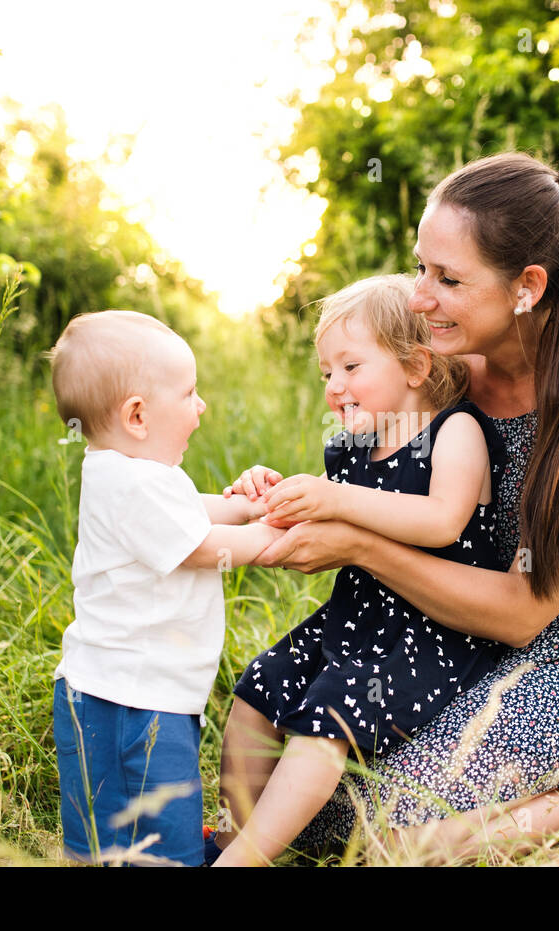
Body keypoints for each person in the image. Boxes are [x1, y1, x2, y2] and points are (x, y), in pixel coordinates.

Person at [243, 153, 559, 860]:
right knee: (309, 803)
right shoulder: (444, 367)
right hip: (462, 630)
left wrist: (360, 545)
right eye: (420, 267)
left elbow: (525, 611)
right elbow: (371, 467)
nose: (420, 298)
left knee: (383, 837)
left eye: (448, 279)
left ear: (528, 287)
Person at [211, 274, 511, 866]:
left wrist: (335, 501)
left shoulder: (457, 431)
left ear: (416, 366)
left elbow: (442, 521)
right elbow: (316, 518)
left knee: (330, 717)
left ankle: (242, 862)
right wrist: (262, 497)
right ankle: (228, 837)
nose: (334, 386)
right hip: (356, 621)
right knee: (259, 688)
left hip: (431, 632)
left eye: (351, 367)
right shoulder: (350, 449)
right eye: (327, 373)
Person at [45, 310, 282, 866]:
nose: (201, 407)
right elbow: (199, 545)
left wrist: (249, 506)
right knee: (148, 835)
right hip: (131, 701)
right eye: (189, 393)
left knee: (109, 830)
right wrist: (273, 538)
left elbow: (193, 510)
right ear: (137, 416)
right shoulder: (129, 482)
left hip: (127, 693)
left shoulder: (127, 471)